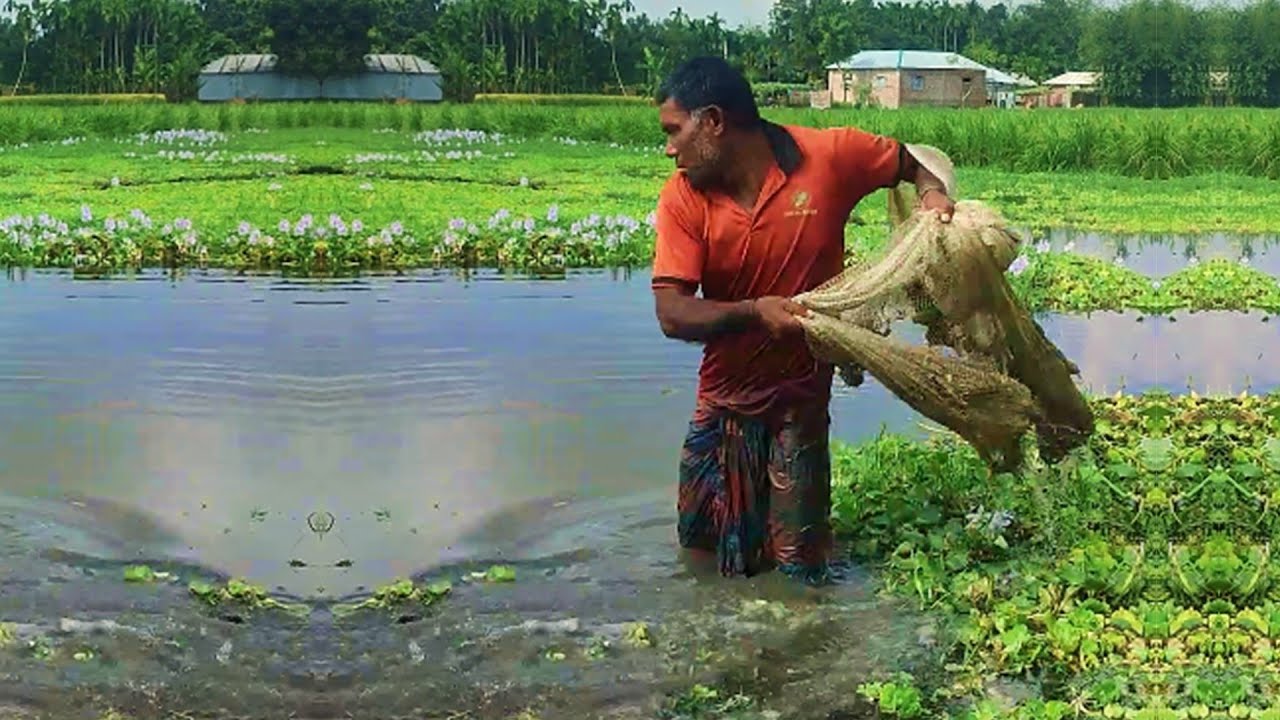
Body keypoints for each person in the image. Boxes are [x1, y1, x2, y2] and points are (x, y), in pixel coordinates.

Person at [650, 56, 956, 586]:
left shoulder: (828, 157)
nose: (669, 147)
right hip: (723, 401)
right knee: (699, 549)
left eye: (675, 131)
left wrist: (931, 195)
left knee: (798, 567)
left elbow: (915, 162)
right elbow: (672, 313)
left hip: (800, 401)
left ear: (715, 122)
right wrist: (754, 311)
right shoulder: (684, 195)